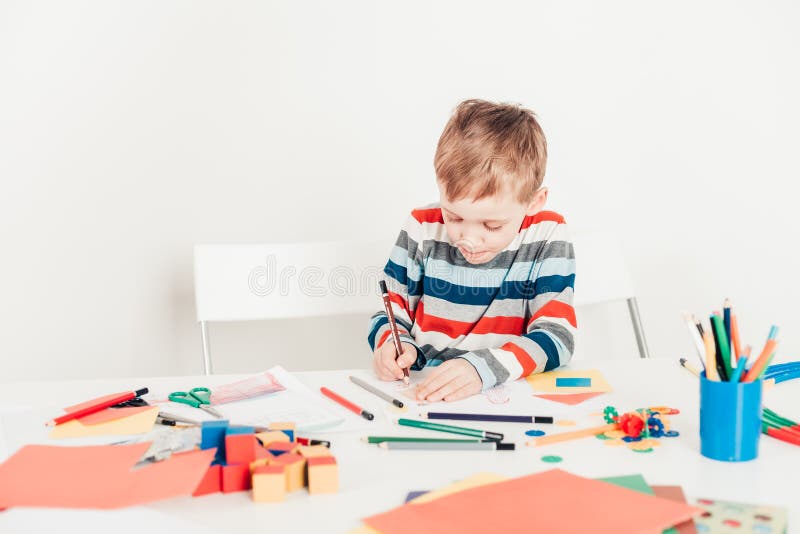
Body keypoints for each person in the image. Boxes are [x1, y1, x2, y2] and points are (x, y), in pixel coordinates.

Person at [367, 99, 576, 402]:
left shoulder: (547, 234)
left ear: (533, 202)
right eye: (453, 216)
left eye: (491, 225)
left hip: (510, 394)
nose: (469, 239)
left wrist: (481, 369)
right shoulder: (422, 226)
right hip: (424, 390)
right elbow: (391, 310)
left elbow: (558, 337)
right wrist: (393, 344)